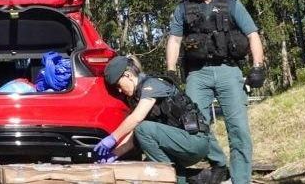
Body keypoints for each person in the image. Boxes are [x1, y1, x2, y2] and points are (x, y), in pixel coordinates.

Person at [165, 0, 265, 184]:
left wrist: (258, 66)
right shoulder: (183, 9)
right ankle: (218, 162)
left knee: (238, 128)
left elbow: (252, 35)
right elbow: (174, 39)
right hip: (197, 74)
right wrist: (171, 71)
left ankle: (241, 179)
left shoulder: (231, 4)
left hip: (229, 71)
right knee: (192, 124)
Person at [94, 55, 230, 184]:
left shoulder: (152, 85)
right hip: (178, 144)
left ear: (128, 75)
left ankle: (174, 178)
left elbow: (137, 119)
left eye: (118, 85)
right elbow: (134, 136)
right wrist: (113, 155)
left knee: (143, 129)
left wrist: (112, 138)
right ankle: (192, 177)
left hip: (194, 142)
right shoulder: (138, 96)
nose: (119, 90)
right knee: (145, 169)